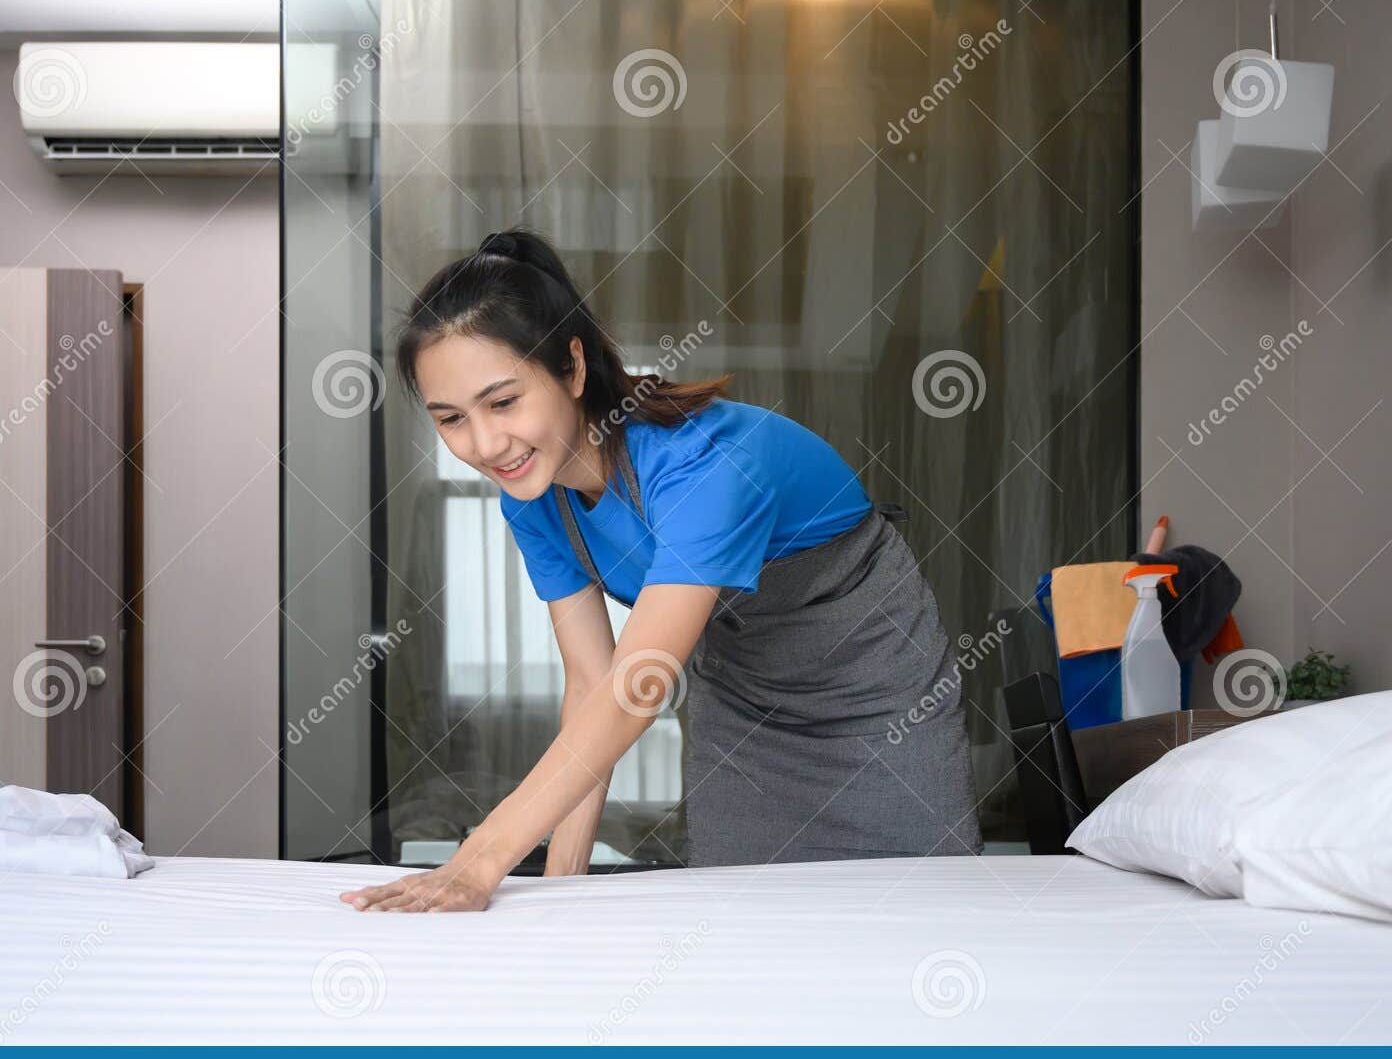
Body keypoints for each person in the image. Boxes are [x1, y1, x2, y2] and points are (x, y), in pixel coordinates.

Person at [341, 229, 980, 913]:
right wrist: (559, 892)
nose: (486, 444)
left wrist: (478, 859)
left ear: (574, 368)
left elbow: (636, 691)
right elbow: (595, 682)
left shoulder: (703, 467)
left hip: (878, 693)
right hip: (747, 703)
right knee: (745, 934)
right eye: (451, 419)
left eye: (504, 402)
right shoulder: (534, 498)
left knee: (921, 920)